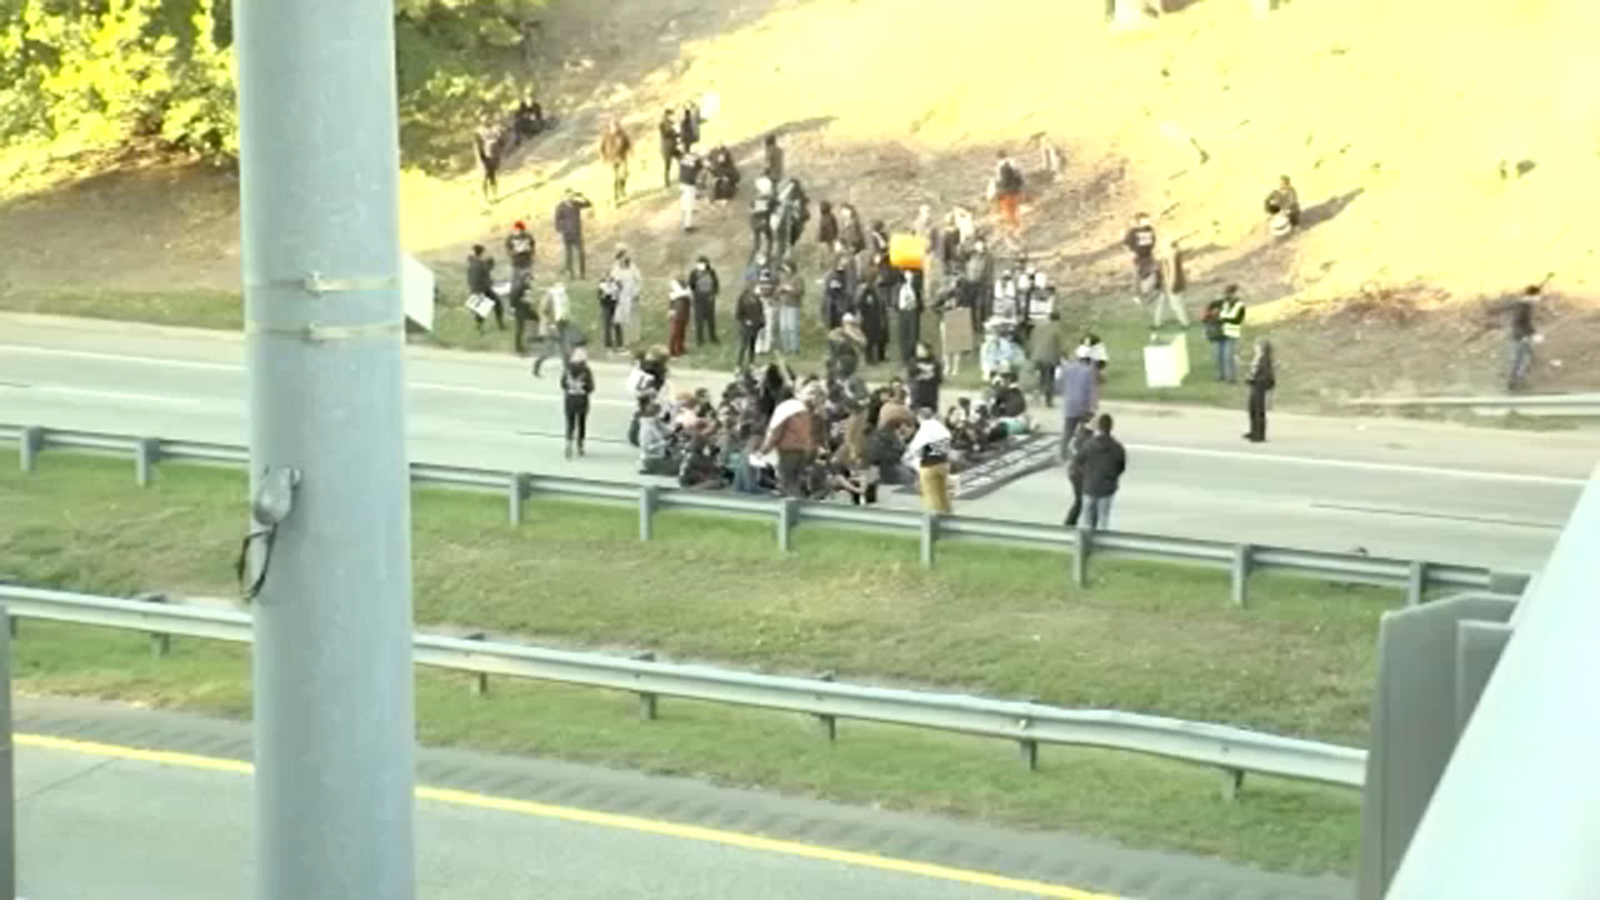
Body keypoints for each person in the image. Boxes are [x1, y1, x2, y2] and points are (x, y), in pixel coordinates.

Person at [1073, 413, 1126, 532]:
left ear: (1098, 427)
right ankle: (1102, 544)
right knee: (1103, 518)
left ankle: (1084, 543)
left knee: (1086, 518)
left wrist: (1086, 475)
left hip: (1090, 486)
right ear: (1111, 427)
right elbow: (1121, 467)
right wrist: (1112, 477)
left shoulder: (1089, 445)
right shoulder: (1117, 447)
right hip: (1107, 488)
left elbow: (1077, 462)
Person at [761, 387, 816, 497]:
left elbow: (776, 433)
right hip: (803, 450)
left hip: (788, 451)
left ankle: (792, 509)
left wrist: (764, 449)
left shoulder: (786, 410)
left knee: (787, 482)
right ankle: (799, 504)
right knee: (796, 482)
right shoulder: (803, 412)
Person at [903, 407, 954, 514]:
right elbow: (948, 440)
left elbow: (915, 447)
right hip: (943, 463)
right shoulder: (941, 427)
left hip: (929, 466)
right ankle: (948, 517)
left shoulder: (925, 429)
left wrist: (906, 456)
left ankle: (932, 522)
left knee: (931, 496)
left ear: (919, 417)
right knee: (943, 494)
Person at [1057, 347, 1098, 461]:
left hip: (1070, 405)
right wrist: (1093, 406)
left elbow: (1060, 383)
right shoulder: (1089, 371)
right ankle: (1082, 452)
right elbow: (1091, 390)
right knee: (1085, 431)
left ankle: (1063, 453)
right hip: (1083, 406)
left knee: (1068, 431)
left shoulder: (1068, 369)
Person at [531, 282, 576, 376]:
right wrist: (550, 324)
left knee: (566, 349)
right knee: (548, 350)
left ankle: (567, 370)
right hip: (551, 326)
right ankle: (537, 365)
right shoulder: (549, 296)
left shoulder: (563, 297)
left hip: (562, 324)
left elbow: (565, 310)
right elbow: (542, 311)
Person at [560, 347, 595, 459]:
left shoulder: (567, 369)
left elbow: (562, 384)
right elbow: (591, 387)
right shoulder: (586, 370)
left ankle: (568, 442)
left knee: (570, 423)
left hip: (570, 399)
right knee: (581, 423)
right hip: (582, 400)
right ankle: (580, 446)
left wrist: (569, 389)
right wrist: (584, 390)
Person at [1506, 284, 1541, 391]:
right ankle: (1515, 383)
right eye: (1537, 296)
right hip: (1521, 337)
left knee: (1526, 359)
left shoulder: (1525, 305)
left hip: (1523, 336)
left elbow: (1526, 323)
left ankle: (1517, 382)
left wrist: (1533, 333)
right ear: (1533, 296)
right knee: (1522, 360)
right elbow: (1518, 322)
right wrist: (1525, 335)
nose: (1538, 299)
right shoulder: (1523, 306)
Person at [553, 189, 593, 280]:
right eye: (567, 196)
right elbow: (557, 220)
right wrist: (561, 229)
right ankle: (571, 275)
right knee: (569, 255)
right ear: (564, 196)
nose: (569, 197)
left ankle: (582, 274)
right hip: (567, 234)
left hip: (577, 233)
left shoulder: (576, 204)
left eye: (571, 196)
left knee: (581, 253)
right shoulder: (560, 207)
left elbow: (588, 204)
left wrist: (582, 196)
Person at [1061, 418, 1094, 527]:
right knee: (1082, 501)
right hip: (1078, 475)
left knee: (1083, 501)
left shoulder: (1077, 441)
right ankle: (1070, 523)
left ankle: (1072, 523)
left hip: (1075, 473)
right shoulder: (1084, 443)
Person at [464, 244, 504, 333]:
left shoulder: (474, 262)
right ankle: (498, 324)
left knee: (485, 307)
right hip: (482, 289)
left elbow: (485, 271)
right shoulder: (479, 263)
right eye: (484, 252)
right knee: (493, 305)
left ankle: (480, 326)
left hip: (480, 289)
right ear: (481, 253)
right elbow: (486, 270)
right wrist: (491, 262)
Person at [1152, 237, 1190, 328]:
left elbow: (1173, 271)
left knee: (1176, 303)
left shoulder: (1171, 254)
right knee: (1162, 303)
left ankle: (1185, 323)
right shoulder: (1171, 253)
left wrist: (1172, 284)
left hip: (1170, 282)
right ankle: (1157, 323)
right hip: (1166, 282)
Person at [1244, 338, 1276, 443]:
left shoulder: (1265, 360)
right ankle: (1253, 430)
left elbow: (1267, 375)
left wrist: (1255, 379)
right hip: (1254, 385)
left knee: (1258, 410)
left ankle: (1260, 434)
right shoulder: (1257, 358)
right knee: (1252, 409)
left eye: (1257, 346)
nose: (1255, 348)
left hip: (1260, 387)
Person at [1212, 284, 1246, 382]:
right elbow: (1238, 318)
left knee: (1220, 353)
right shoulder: (1237, 303)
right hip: (1229, 330)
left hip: (1220, 330)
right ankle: (1228, 376)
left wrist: (1220, 316)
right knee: (1226, 354)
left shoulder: (1219, 302)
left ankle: (1222, 375)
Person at [610, 249, 644, 346]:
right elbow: (614, 280)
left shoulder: (632, 266)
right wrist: (617, 291)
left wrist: (636, 292)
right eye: (624, 256)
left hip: (632, 293)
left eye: (627, 256)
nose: (626, 258)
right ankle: (624, 338)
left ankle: (634, 337)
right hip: (622, 295)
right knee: (623, 316)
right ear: (620, 257)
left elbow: (638, 279)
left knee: (634, 316)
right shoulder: (616, 267)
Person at [1029, 311, 1062, 407]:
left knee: (1040, 377)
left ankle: (1036, 397)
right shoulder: (1056, 330)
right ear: (1057, 320)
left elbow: (1031, 341)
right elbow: (1058, 346)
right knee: (1049, 379)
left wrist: (1032, 355)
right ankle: (1048, 401)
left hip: (1036, 356)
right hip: (1049, 358)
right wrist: (1059, 359)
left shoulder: (1038, 328)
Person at [1124, 213, 1159, 304]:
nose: (1149, 221)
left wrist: (1152, 249)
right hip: (1138, 256)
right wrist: (1131, 253)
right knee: (1137, 276)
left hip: (1148, 255)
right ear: (1140, 221)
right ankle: (1136, 295)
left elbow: (1153, 240)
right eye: (1146, 219)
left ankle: (1147, 292)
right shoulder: (1133, 231)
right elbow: (1126, 244)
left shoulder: (1150, 229)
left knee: (1153, 273)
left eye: (1149, 219)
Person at [990, 150, 1025, 235]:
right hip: (1015, 190)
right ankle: (1016, 226)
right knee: (1014, 209)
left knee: (1008, 210)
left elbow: (1004, 181)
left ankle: (1013, 227)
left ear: (998, 158)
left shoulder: (1002, 167)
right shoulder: (1013, 164)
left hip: (1006, 192)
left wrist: (996, 184)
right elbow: (1020, 179)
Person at [688, 256, 721, 346]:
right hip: (699, 299)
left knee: (711, 319)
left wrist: (714, 294)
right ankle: (700, 340)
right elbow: (691, 285)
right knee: (699, 320)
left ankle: (713, 337)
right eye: (699, 263)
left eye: (703, 263)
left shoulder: (711, 272)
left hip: (709, 298)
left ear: (706, 264)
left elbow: (716, 283)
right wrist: (695, 295)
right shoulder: (694, 273)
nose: (701, 265)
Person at [599, 120, 632, 205]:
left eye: (617, 126)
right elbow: (601, 148)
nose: (615, 128)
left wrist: (631, 152)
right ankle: (614, 196)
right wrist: (602, 157)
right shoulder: (605, 136)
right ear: (610, 127)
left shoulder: (623, 135)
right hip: (611, 160)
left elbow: (628, 144)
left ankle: (622, 190)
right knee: (613, 179)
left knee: (624, 175)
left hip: (621, 159)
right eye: (613, 126)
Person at [734, 283, 765, 369]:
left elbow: (760, 313)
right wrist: (745, 321)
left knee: (752, 345)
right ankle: (738, 365)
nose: (759, 290)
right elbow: (738, 314)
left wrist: (762, 323)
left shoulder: (758, 300)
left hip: (755, 327)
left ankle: (751, 362)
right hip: (745, 327)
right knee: (743, 346)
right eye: (758, 288)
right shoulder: (743, 298)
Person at [776, 260, 804, 354]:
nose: (785, 270)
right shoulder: (783, 278)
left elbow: (800, 291)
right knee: (784, 328)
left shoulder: (798, 279)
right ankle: (785, 348)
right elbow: (776, 291)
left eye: (786, 267)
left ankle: (794, 348)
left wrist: (790, 289)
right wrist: (780, 290)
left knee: (793, 328)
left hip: (793, 305)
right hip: (783, 305)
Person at [908, 341, 942, 414]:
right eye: (918, 349)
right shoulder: (913, 361)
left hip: (931, 393)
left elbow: (938, 377)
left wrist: (930, 376)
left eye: (921, 349)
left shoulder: (935, 361)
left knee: (931, 410)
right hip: (917, 393)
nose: (919, 352)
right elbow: (912, 375)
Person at [895, 274, 921, 366]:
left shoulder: (915, 286)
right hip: (903, 311)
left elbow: (918, 298)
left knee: (913, 335)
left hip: (912, 311)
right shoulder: (899, 287)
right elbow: (896, 300)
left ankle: (912, 357)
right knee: (903, 335)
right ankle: (904, 358)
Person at [474, 124, 503, 203]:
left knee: (493, 177)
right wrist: (481, 160)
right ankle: (485, 199)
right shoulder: (478, 132)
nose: (487, 118)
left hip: (493, 158)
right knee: (484, 179)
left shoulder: (494, 130)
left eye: (489, 116)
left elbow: (501, 144)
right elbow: (477, 147)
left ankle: (495, 196)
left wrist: (500, 134)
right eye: (484, 116)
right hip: (483, 159)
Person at [678, 149, 703, 232]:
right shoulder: (695, 162)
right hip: (688, 184)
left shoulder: (682, 160)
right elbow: (700, 166)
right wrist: (698, 158)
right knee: (688, 203)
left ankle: (691, 209)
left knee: (688, 200)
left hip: (683, 183)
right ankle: (687, 226)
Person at [667, 275, 692, 357]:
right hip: (677, 310)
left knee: (682, 332)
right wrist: (671, 310)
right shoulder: (674, 286)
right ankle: (673, 350)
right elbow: (673, 299)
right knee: (675, 332)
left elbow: (689, 295)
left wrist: (684, 294)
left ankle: (680, 348)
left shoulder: (686, 286)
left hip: (685, 310)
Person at [658, 108, 679, 188]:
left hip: (673, 147)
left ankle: (682, 176)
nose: (673, 117)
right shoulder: (661, 124)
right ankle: (667, 182)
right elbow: (665, 135)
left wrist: (678, 134)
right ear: (667, 115)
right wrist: (673, 131)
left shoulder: (672, 123)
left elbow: (675, 133)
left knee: (682, 159)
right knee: (667, 166)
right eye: (671, 115)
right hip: (666, 148)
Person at [816, 201, 840, 267]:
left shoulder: (829, 217)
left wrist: (831, 238)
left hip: (828, 239)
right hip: (824, 239)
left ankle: (829, 265)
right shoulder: (824, 217)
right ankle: (823, 264)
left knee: (829, 253)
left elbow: (832, 229)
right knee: (824, 253)